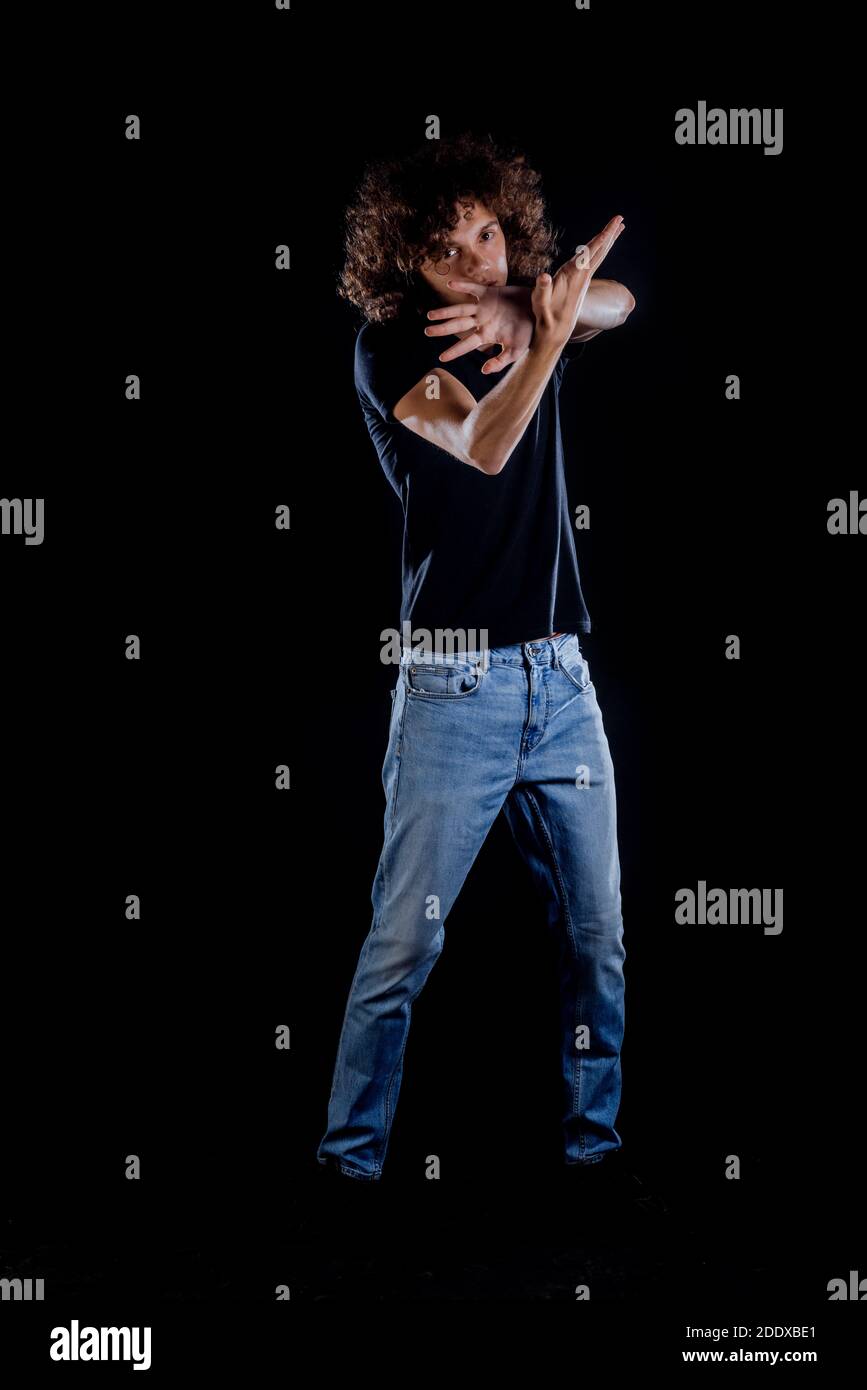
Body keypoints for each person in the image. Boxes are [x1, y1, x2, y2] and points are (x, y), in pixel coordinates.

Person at [316, 131, 637, 1192]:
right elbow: (488, 443)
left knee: (599, 940)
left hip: (562, 679)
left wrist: (536, 306)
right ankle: (348, 1168)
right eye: (449, 247)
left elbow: (621, 304)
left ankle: (594, 1155)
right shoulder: (390, 349)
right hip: (455, 683)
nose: (478, 259)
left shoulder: (515, 299)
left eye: (490, 234)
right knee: (402, 952)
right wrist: (538, 335)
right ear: (407, 257)